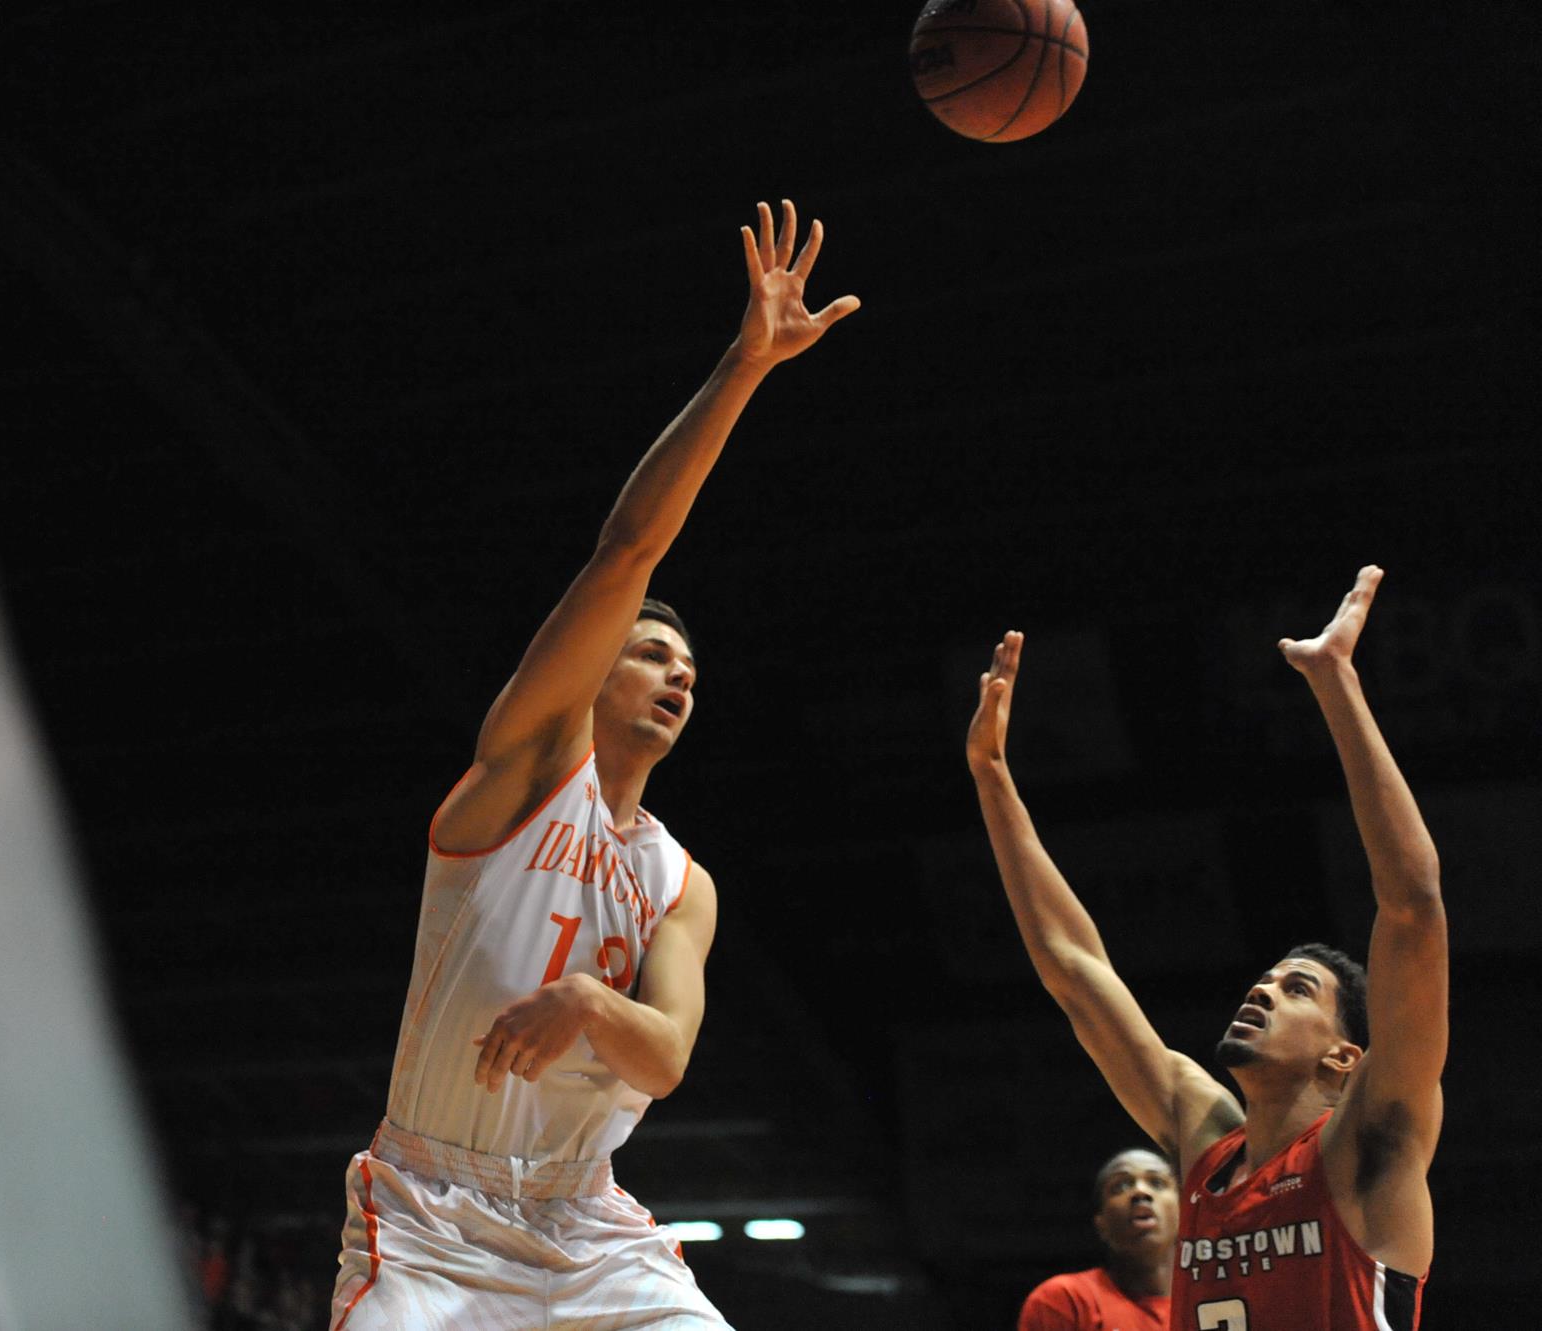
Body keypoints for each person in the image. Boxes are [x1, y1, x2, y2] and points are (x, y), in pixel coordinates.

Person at [327, 200, 858, 1329]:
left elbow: (662, 1056)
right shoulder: (524, 766)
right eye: (651, 652)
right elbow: (630, 547)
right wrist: (743, 366)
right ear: (591, 674)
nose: (678, 675)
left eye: (690, 669)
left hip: (585, 1224)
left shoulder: (682, 879)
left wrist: (580, 1000)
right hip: (431, 1209)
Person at [966, 567, 1442, 1331]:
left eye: (1297, 990)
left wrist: (1335, 684)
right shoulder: (1207, 1143)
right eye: (1265, 979)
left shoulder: (1370, 1140)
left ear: (1344, 1057)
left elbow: (1414, 907)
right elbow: (1077, 973)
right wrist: (992, 779)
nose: (1260, 991)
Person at [1017, 1147, 1175, 1331]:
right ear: (1101, 1224)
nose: (1140, 1192)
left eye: (1157, 1182)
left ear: (1185, 1209)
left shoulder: (1207, 1303)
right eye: (1121, 1186)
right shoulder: (1066, 1300)